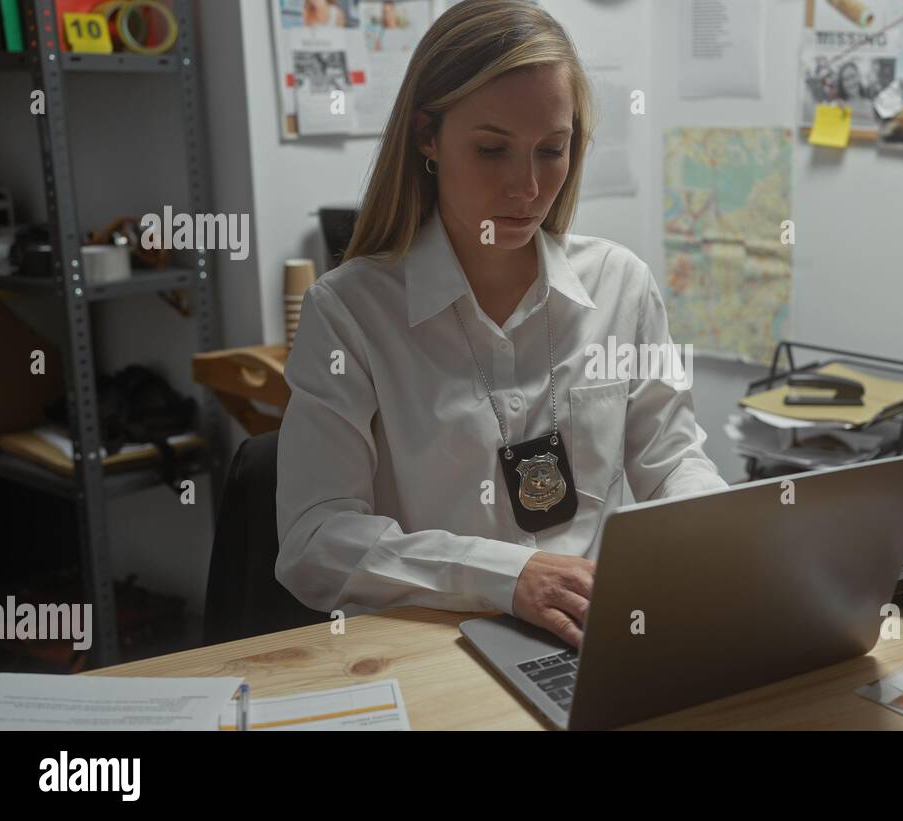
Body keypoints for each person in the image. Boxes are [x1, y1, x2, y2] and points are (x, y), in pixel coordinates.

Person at [276, 0, 727, 649]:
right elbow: (314, 540)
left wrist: (726, 536)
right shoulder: (349, 313)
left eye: (553, 149)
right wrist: (505, 575)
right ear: (428, 137)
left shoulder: (620, 285)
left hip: (595, 638)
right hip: (437, 648)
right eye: (492, 150)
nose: (526, 186)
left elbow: (672, 459)